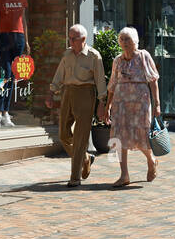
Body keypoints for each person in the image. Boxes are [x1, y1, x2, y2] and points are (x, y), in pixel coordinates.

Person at [49, 25, 107, 188]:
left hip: (85, 94)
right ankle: (85, 158)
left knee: (81, 138)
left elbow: (100, 80)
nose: (70, 41)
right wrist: (52, 92)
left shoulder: (94, 56)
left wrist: (101, 103)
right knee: (63, 135)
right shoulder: (67, 54)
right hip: (67, 92)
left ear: (83, 39)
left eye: (73, 38)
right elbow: (60, 74)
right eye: (69, 38)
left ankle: (75, 177)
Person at [102, 26, 160, 187]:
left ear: (135, 41)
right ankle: (124, 175)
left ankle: (151, 160)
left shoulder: (143, 56)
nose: (124, 42)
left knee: (141, 135)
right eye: (122, 39)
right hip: (121, 103)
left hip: (140, 102)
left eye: (127, 39)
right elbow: (112, 85)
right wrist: (108, 106)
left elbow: (153, 80)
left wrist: (157, 104)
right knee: (119, 137)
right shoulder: (117, 60)